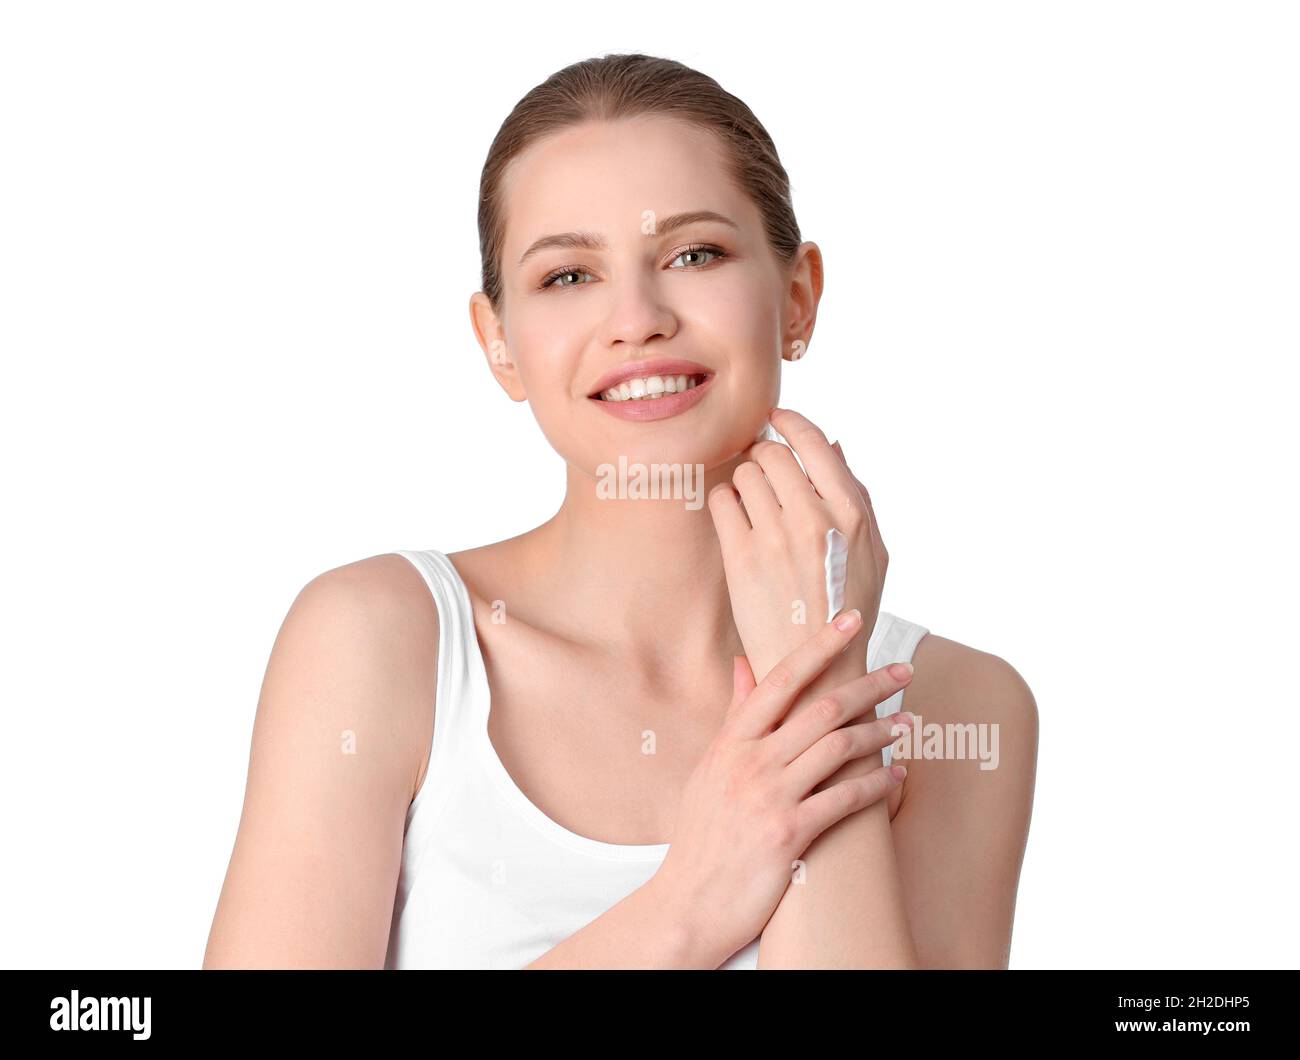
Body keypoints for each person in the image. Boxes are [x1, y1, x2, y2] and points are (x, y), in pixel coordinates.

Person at [204, 52, 1038, 970]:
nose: (635, 318)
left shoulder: (960, 710)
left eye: (694, 254)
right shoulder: (380, 642)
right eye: (568, 276)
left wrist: (815, 675)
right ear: (500, 345)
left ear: (796, 296)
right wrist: (691, 901)